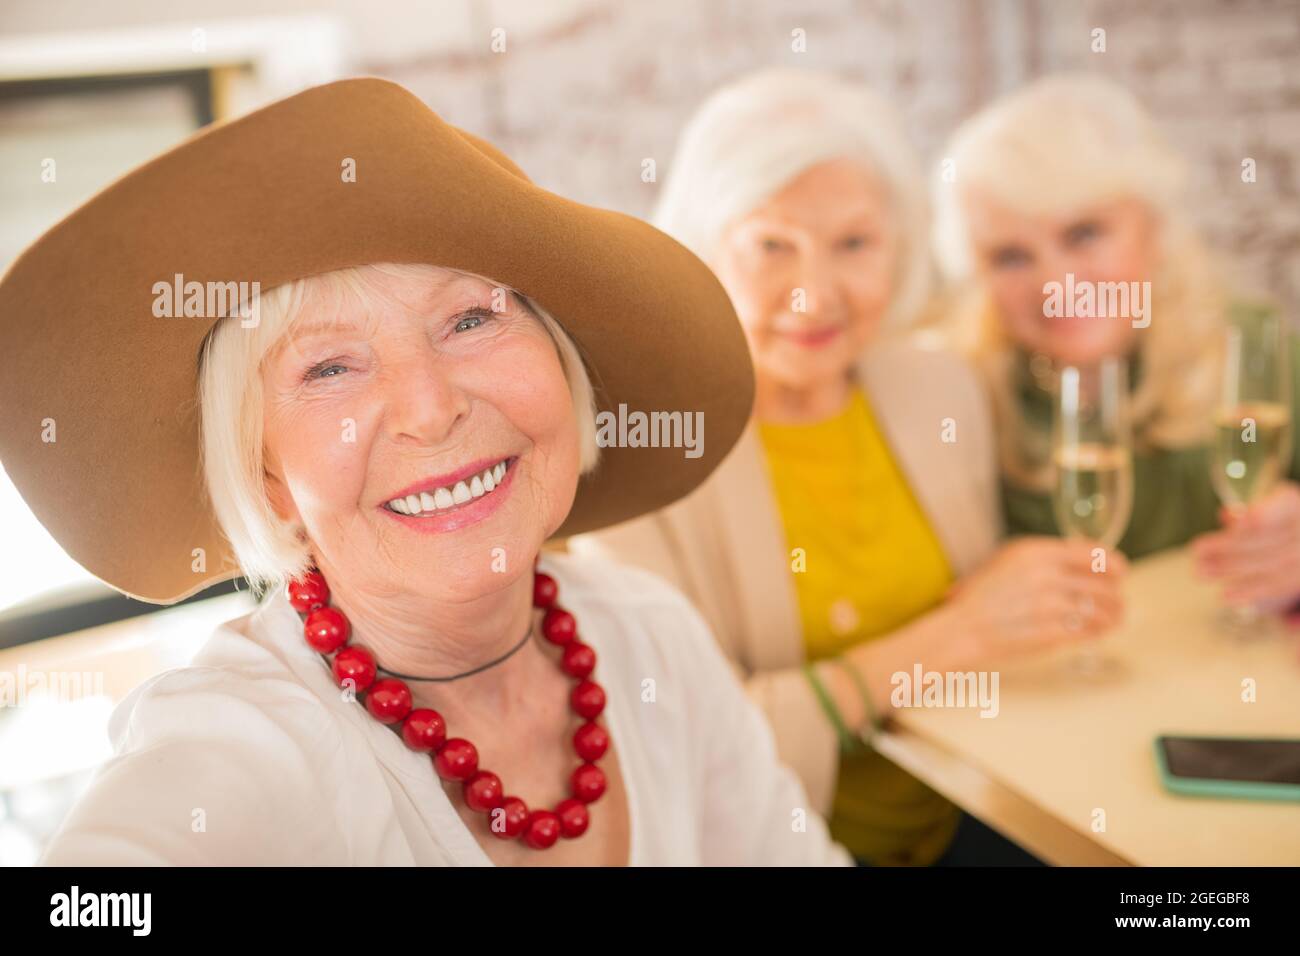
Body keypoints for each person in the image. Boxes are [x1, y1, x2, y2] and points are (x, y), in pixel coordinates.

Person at [0, 77, 849, 866]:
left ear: (564, 370)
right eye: (328, 368)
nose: (429, 408)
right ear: (265, 478)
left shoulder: (648, 634)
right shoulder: (236, 748)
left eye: (473, 318)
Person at [571, 69, 1124, 866]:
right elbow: (695, 750)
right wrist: (960, 633)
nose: (814, 294)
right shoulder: (640, 463)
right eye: (772, 246)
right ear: (703, 251)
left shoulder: (939, 386)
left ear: (897, 251)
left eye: (853, 244)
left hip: (986, 813)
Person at [932, 73, 1300, 610]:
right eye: (1010, 257)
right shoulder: (948, 391)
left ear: (1154, 227)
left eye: (1084, 233)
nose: (1058, 286)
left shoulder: (1253, 352)